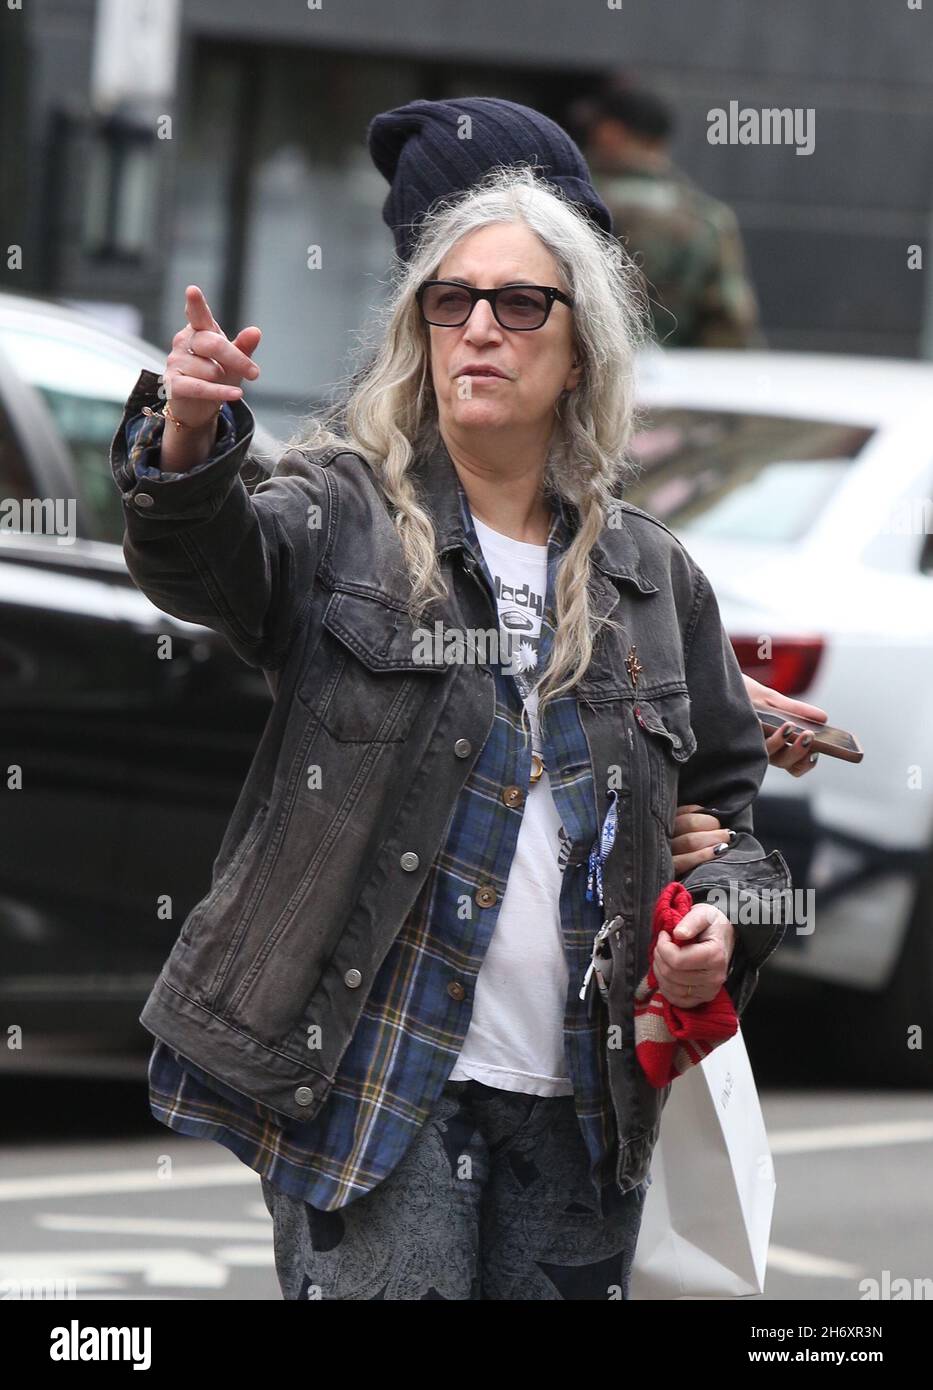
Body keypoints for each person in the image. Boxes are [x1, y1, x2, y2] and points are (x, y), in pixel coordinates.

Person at [364, 95, 826, 887]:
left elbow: (718, 845)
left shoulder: (610, 528)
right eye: (466, 296)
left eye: (531, 299)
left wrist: (680, 694)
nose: (489, 329)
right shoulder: (363, 487)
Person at [577, 84, 763, 350]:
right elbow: (729, 325)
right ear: (660, 142)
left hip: (583, 379)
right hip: (674, 379)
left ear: (611, 133)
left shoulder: (568, 202)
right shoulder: (708, 217)